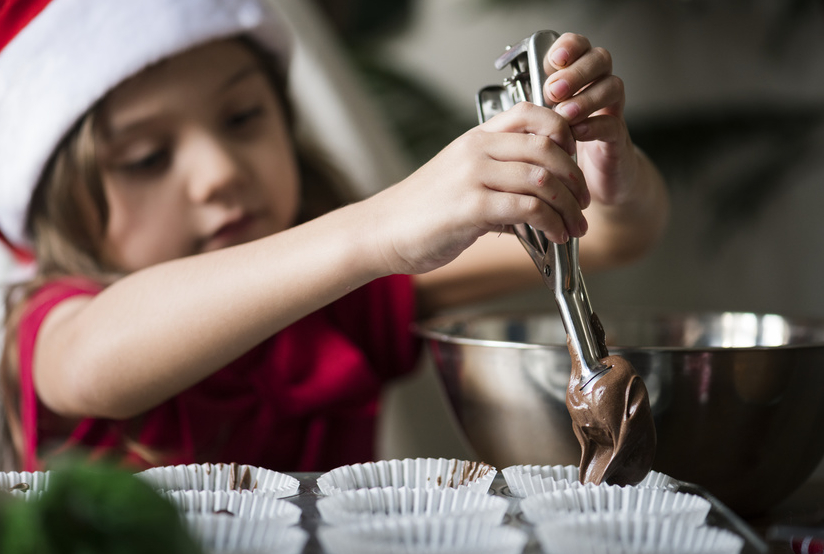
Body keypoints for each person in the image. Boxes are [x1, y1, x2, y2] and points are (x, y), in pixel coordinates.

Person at [0, 0, 668, 473]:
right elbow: (92, 361)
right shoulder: (51, 325)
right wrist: (381, 226)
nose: (220, 173)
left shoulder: (345, 302)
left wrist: (605, 164)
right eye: (147, 158)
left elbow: (610, 234)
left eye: (241, 117)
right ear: (57, 209)